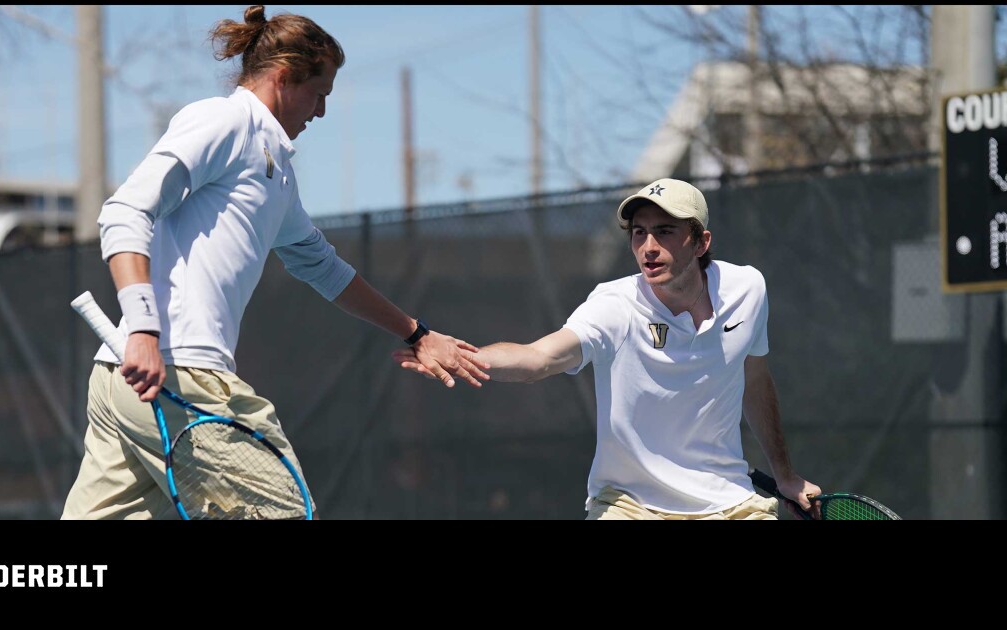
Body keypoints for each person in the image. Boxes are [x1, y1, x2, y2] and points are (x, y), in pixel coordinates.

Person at [62, 5, 490, 520]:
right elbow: (125, 211)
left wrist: (417, 335)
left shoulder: (277, 171)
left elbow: (324, 269)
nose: (321, 111)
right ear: (285, 79)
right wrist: (145, 330)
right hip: (175, 375)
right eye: (319, 94)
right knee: (284, 512)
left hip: (129, 383)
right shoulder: (224, 121)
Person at [394, 178, 821, 520]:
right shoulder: (614, 306)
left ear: (701, 242)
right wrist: (464, 356)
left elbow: (755, 377)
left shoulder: (748, 289)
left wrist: (785, 475)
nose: (648, 246)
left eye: (665, 231)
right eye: (639, 233)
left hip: (729, 502)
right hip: (629, 505)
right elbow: (541, 357)